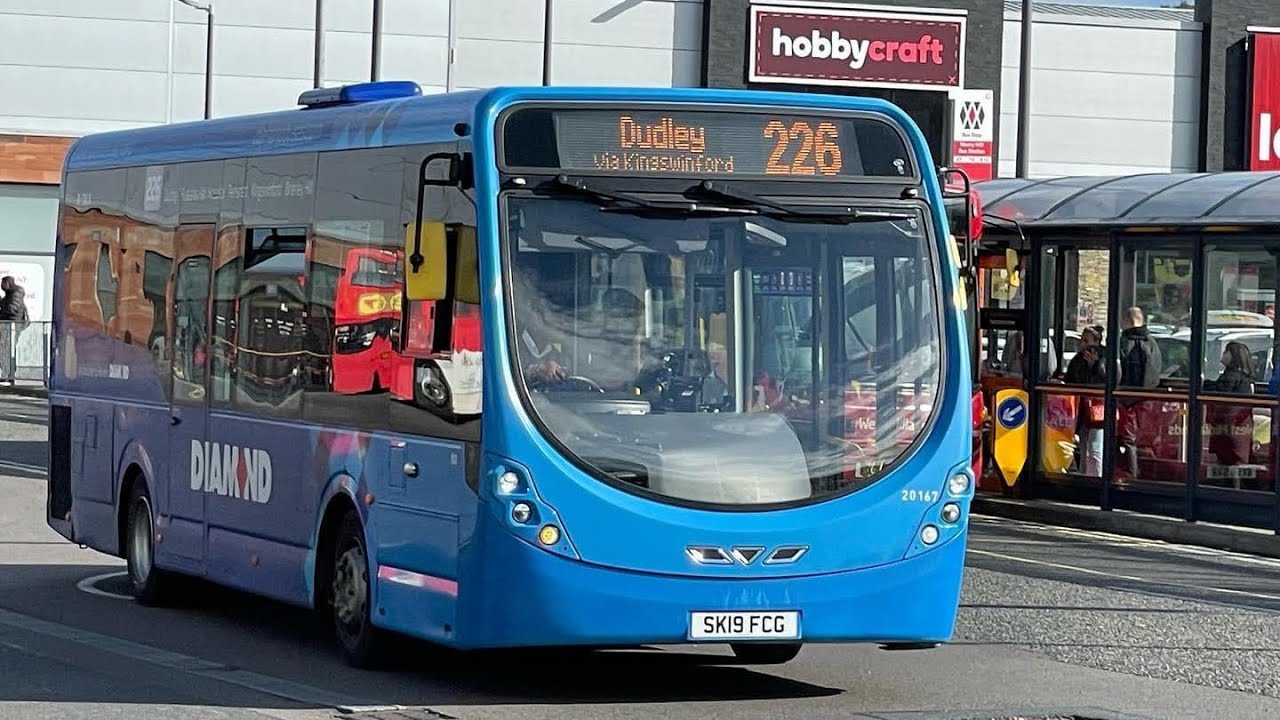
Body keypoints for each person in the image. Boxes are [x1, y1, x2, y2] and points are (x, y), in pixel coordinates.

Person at [1116, 306, 1162, 477]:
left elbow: (1119, 370)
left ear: (1128, 321)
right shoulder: (1151, 342)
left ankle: (1129, 472)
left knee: (1126, 438)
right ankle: (1142, 473)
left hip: (1126, 399)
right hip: (1148, 399)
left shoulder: (1124, 341)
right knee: (1143, 439)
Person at [1064, 325, 1106, 476]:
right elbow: (1070, 379)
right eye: (1082, 341)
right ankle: (1084, 477)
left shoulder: (1104, 357)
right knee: (1083, 446)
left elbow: (1107, 381)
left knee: (1095, 447)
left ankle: (1096, 478)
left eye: (1086, 341)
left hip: (1098, 407)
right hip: (1081, 407)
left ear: (1097, 342)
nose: (1083, 344)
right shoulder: (1078, 359)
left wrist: (1094, 366)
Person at [0, 276, 30, 386]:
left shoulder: (15, 294)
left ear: (8, 283)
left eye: (3, 283)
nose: (1, 286)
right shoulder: (10, 295)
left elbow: (11, 309)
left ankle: (9, 374)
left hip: (11, 327)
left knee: (8, 350)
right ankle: (7, 374)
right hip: (8, 326)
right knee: (5, 350)